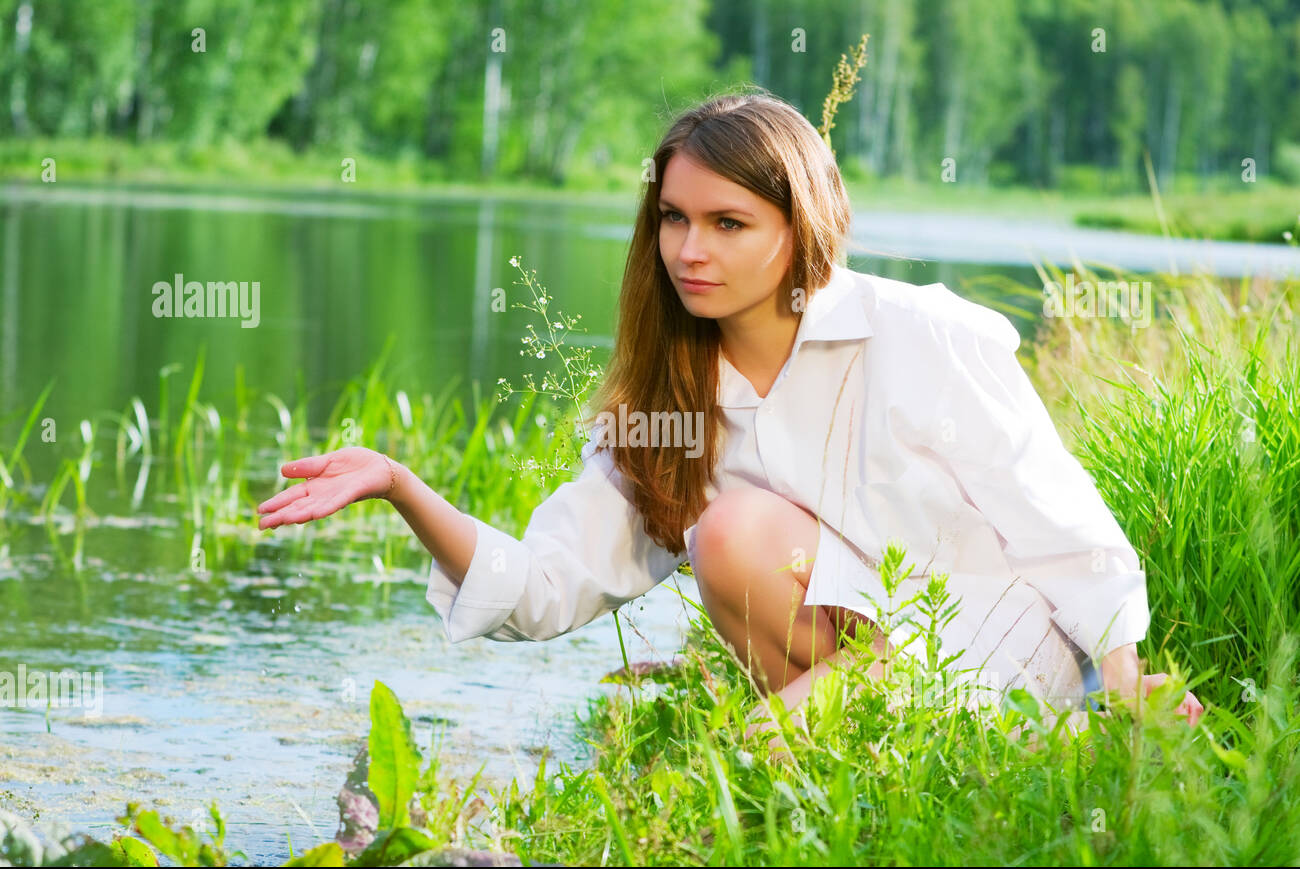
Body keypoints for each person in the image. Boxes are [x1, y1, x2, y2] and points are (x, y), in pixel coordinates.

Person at [255, 92, 1203, 747]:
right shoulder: (671, 405)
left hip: (997, 656)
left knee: (743, 582)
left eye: (727, 223)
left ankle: (1039, 738)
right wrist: (399, 485)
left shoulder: (920, 335)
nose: (688, 249)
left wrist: (1122, 678)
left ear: (800, 225)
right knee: (734, 537)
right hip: (860, 678)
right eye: (673, 218)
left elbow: (1061, 522)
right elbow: (545, 588)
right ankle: (816, 752)